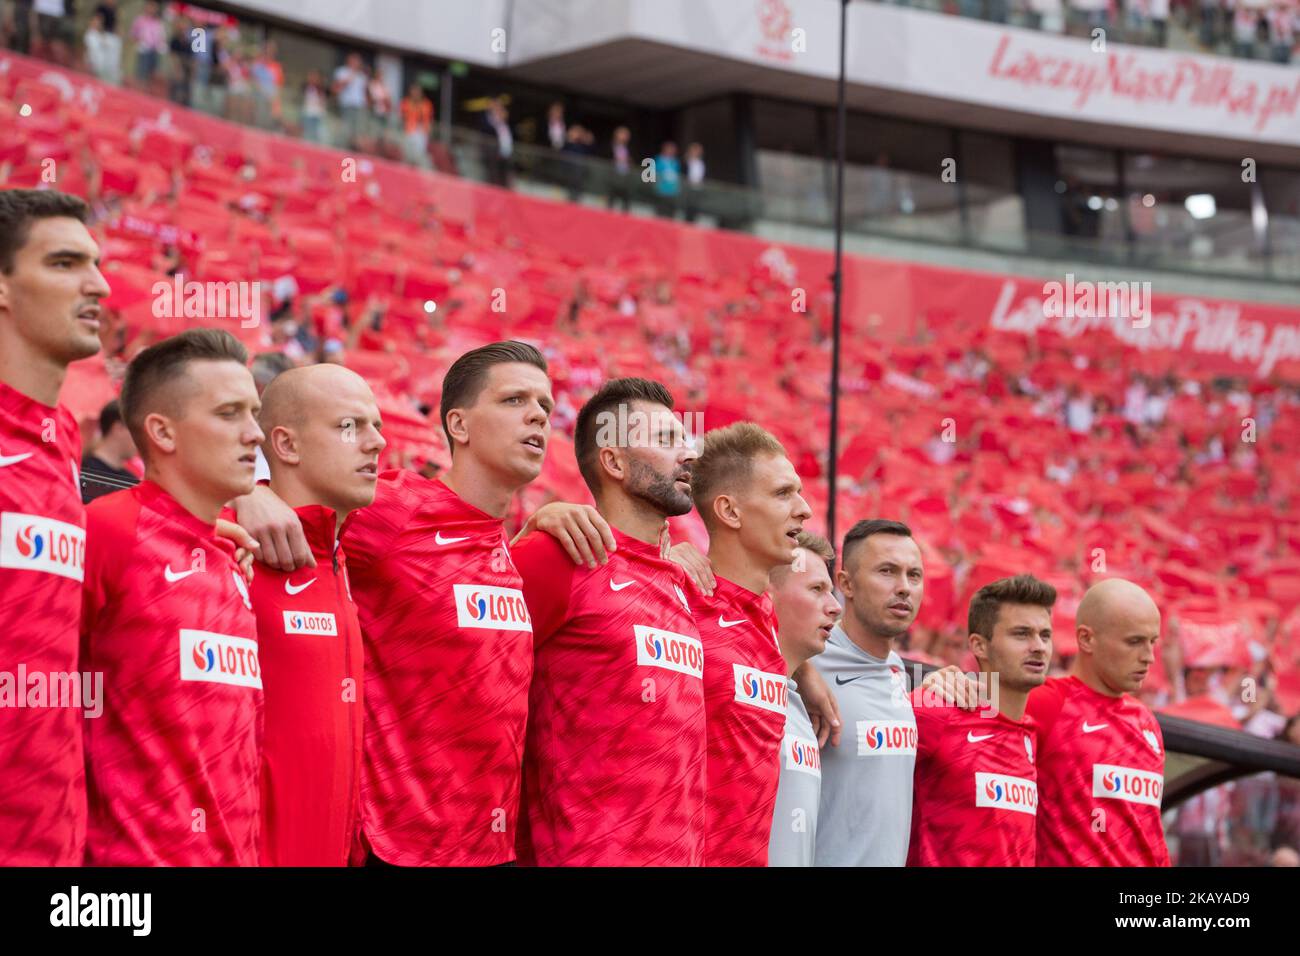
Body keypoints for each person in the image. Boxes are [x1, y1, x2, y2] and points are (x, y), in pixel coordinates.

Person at [81, 329, 264, 865]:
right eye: (230, 413)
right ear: (162, 431)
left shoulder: (232, 553)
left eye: (253, 412)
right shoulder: (107, 533)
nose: (254, 434)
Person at [512, 378, 707, 865]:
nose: (688, 455)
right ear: (614, 462)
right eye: (665, 441)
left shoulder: (680, 581)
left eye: (685, 440)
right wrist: (522, 540)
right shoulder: (561, 554)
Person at [0, 188, 110, 865]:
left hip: (55, 839)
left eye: (95, 264)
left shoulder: (59, 443)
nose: (97, 284)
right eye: (66, 263)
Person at [251, 365, 386, 866]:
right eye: (350, 426)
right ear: (285, 445)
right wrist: (242, 489)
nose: (377, 442)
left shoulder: (342, 554)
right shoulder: (224, 543)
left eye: (376, 425)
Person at [689, 422, 812, 866]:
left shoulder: (770, 625)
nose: (805, 509)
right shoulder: (680, 607)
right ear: (730, 511)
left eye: (799, 492)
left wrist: (806, 676)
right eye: (783, 494)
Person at [908, 575, 1054, 866]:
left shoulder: (1031, 733)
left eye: (1045, 635)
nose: (1038, 646)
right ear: (979, 646)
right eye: (1021, 634)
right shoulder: (937, 708)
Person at [1028, 578, 1171, 866]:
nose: (1149, 658)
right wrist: (948, 679)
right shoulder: (1044, 702)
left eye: (1152, 642)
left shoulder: (1146, 722)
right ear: (1086, 639)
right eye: (1134, 642)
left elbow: (1147, 830)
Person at [811, 519, 923, 866]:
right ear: (846, 584)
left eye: (914, 575)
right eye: (887, 571)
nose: (903, 587)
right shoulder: (809, 662)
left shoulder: (903, 675)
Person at [767, 532, 842, 867]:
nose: (835, 607)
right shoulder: (722, 674)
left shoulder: (800, 702)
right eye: (816, 589)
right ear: (767, 595)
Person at [81, 399, 138, 503]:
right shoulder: (84, 472)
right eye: (136, 431)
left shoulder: (132, 481)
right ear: (118, 428)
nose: (140, 440)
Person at [332, 52, 368, 149]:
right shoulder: (342, 71)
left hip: (359, 106)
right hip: (347, 104)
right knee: (345, 128)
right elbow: (336, 87)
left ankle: (353, 149)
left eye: (358, 61)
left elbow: (364, 92)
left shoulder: (361, 76)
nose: (356, 63)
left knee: (357, 131)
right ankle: (340, 147)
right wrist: (350, 77)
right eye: (354, 61)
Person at [129, 0, 166, 93]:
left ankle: (147, 91)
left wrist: (161, 45)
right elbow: (133, 35)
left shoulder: (157, 22)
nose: (152, 9)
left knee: (152, 74)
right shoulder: (140, 20)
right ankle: (138, 90)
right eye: (150, 6)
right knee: (141, 72)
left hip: (154, 51)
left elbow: (161, 37)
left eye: (154, 7)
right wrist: (139, 42)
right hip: (143, 50)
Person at [83, 11, 122, 86]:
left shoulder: (102, 36)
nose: (97, 23)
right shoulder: (89, 35)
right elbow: (86, 50)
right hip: (91, 66)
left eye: (99, 22)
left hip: (102, 67)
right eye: (95, 21)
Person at [482, 97, 514, 188]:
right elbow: (487, 130)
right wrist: (498, 120)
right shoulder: (489, 119)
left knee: (505, 175)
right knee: (494, 175)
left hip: (506, 153)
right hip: (493, 152)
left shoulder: (505, 124)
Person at [400, 83, 433, 168]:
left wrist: (427, 131)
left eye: (417, 92)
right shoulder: (406, 102)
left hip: (421, 133)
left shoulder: (426, 104)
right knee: (407, 155)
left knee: (418, 156)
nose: (415, 94)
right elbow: (402, 116)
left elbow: (428, 119)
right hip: (408, 131)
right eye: (414, 91)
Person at [607, 125, 632, 212]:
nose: (626, 137)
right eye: (624, 134)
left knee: (626, 201)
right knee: (611, 200)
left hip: (624, 178)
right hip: (613, 177)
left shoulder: (628, 148)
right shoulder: (611, 146)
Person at [653, 141, 681, 218]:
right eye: (669, 149)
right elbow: (655, 173)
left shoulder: (675, 162)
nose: (671, 151)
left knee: (670, 213)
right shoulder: (659, 159)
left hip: (672, 191)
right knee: (660, 211)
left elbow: (677, 176)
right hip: (661, 190)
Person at [683, 142, 706, 223]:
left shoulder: (701, 163)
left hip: (697, 189)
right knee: (687, 209)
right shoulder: (687, 161)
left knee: (695, 210)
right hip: (688, 189)